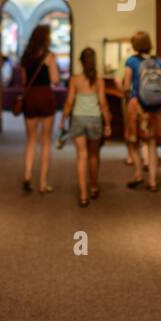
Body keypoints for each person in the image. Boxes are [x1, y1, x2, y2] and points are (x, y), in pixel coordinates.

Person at [60, 47, 112, 207]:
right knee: (94, 155)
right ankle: (94, 187)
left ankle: (83, 196)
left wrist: (62, 120)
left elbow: (69, 102)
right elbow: (103, 104)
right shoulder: (99, 81)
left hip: (78, 120)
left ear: (81, 62)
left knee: (81, 156)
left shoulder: (75, 80)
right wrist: (108, 123)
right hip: (95, 120)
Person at [121, 31, 161, 191]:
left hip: (137, 106)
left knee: (133, 140)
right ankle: (153, 181)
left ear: (135, 45)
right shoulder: (159, 62)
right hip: (156, 108)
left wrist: (126, 95)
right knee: (152, 143)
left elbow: (127, 86)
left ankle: (138, 173)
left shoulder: (132, 62)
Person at [20, 24, 60, 194]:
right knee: (45, 141)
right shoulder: (49, 56)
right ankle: (43, 183)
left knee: (31, 139)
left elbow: (24, 81)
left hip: (30, 98)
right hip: (45, 96)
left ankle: (27, 175)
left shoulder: (25, 57)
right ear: (46, 38)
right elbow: (55, 79)